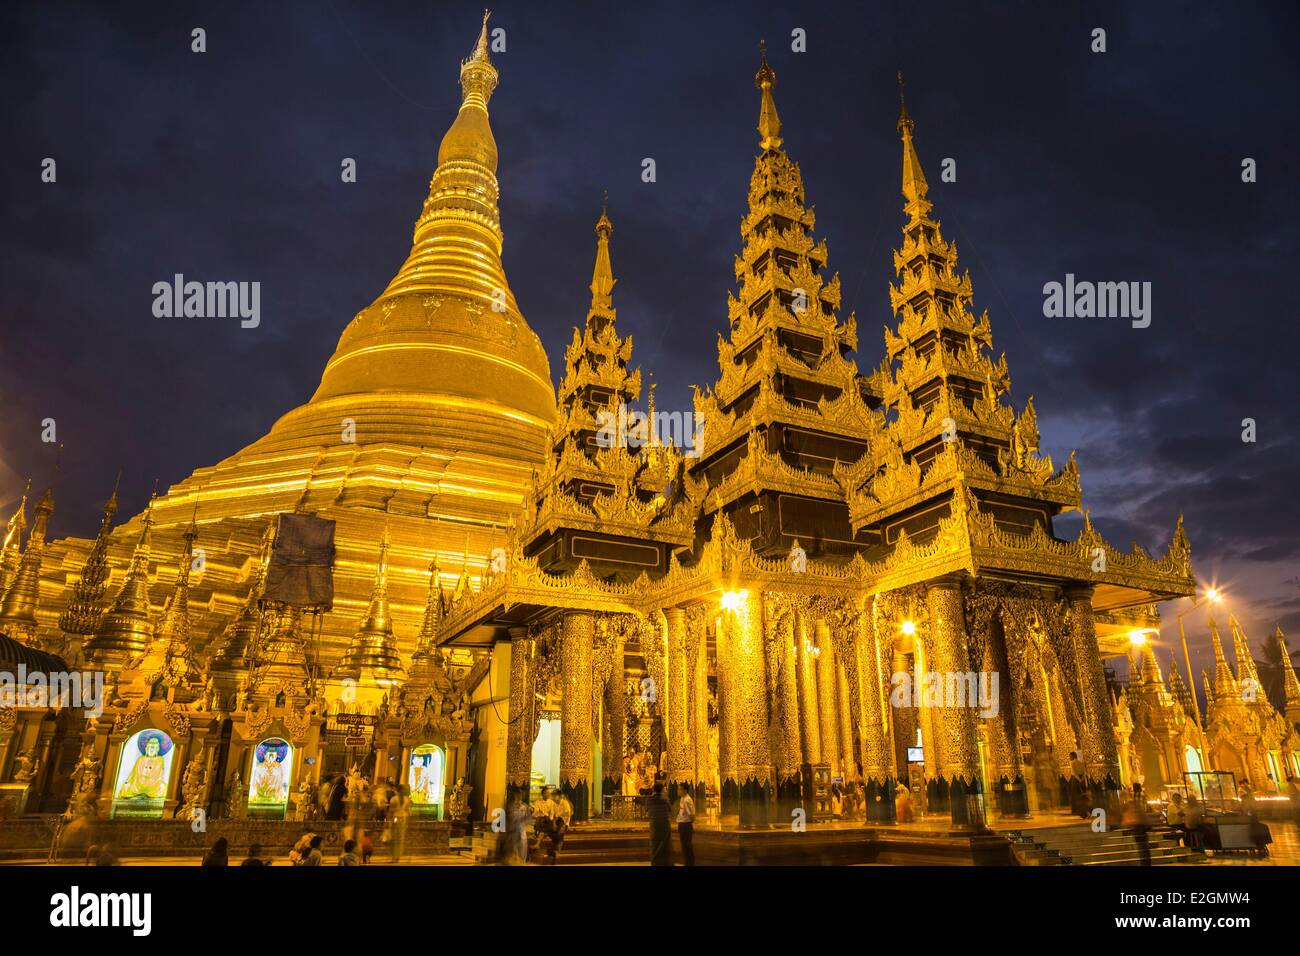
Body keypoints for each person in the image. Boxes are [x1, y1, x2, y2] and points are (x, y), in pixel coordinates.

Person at [647, 782, 674, 866]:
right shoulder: (665, 799)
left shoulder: (649, 800)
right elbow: (670, 810)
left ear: (653, 789)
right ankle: (665, 862)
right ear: (662, 790)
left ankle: (655, 862)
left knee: (654, 842)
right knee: (665, 843)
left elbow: (647, 811)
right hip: (665, 823)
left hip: (654, 823)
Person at [388, 784, 411, 863]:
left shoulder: (406, 799)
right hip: (396, 818)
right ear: (399, 790)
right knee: (394, 838)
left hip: (402, 819)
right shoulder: (394, 799)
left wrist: (407, 821)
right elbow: (391, 811)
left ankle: (397, 857)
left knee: (400, 839)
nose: (404, 791)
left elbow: (407, 811)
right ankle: (394, 856)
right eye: (403, 790)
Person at [677, 784, 696, 866]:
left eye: (680, 789)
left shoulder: (686, 800)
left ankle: (690, 863)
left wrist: (690, 824)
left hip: (686, 824)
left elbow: (691, 814)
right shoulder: (682, 798)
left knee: (687, 845)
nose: (678, 791)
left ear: (685, 790)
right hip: (682, 823)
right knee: (684, 845)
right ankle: (687, 862)